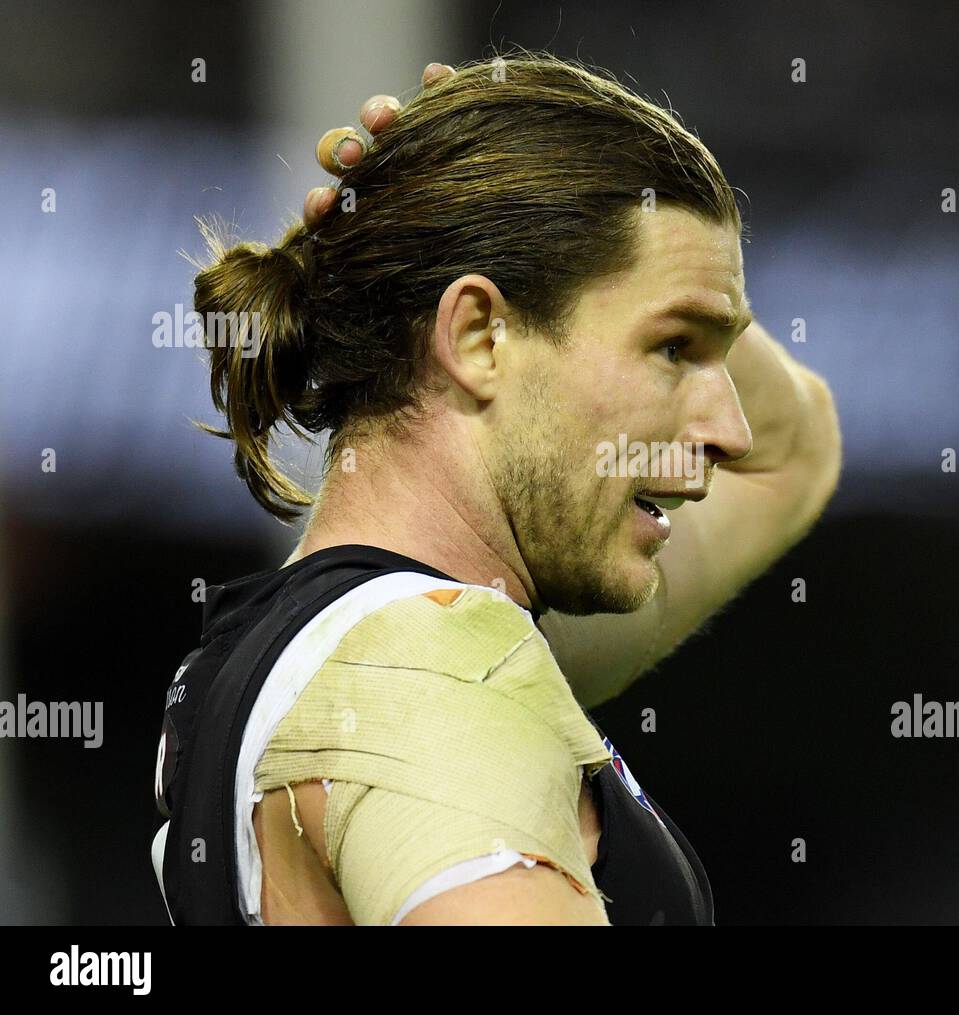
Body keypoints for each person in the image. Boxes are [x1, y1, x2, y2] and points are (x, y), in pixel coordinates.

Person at [151, 52, 841, 926]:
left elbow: (795, 449)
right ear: (479, 336)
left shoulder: (283, 654)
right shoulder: (430, 678)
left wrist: (512, 185)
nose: (730, 429)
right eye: (673, 348)